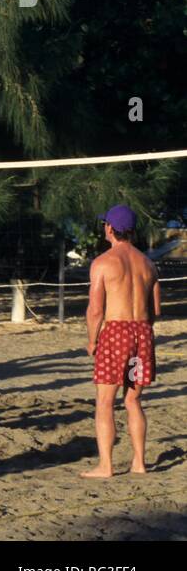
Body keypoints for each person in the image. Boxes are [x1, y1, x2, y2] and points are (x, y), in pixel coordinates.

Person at [82, 204, 159, 479]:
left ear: (110, 228)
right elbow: (155, 310)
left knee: (105, 401)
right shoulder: (148, 264)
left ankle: (106, 466)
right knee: (133, 400)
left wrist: (92, 341)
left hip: (116, 332)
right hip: (142, 332)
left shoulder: (103, 262)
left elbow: (95, 310)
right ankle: (139, 463)